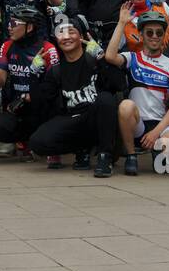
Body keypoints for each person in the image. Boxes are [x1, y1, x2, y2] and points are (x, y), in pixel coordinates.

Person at [29, 15, 122, 178]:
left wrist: (101, 57)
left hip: (97, 119)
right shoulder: (56, 71)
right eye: (61, 33)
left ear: (81, 36)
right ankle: (82, 149)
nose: (66, 37)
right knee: (38, 142)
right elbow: (40, 104)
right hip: (73, 120)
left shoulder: (93, 61)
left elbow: (119, 84)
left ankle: (104, 156)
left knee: (105, 99)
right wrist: (34, 75)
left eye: (71, 32)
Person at [105, 8, 169, 176]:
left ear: (164, 35)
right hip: (137, 123)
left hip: (160, 124)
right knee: (126, 106)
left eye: (159, 32)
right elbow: (110, 56)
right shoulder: (132, 58)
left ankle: (158, 151)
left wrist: (156, 132)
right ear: (141, 35)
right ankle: (131, 155)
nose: (154, 36)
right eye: (149, 32)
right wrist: (121, 23)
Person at [0, 4, 59, 161]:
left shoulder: (48, 49)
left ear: (30, 27)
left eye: (14, 24)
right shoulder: (7, 45)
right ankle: (24, 143)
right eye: (8, 23)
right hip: (17, 107)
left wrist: (32, 95)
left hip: (41, 107)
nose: (9, 27)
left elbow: (55, 89)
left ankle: (52, 147)